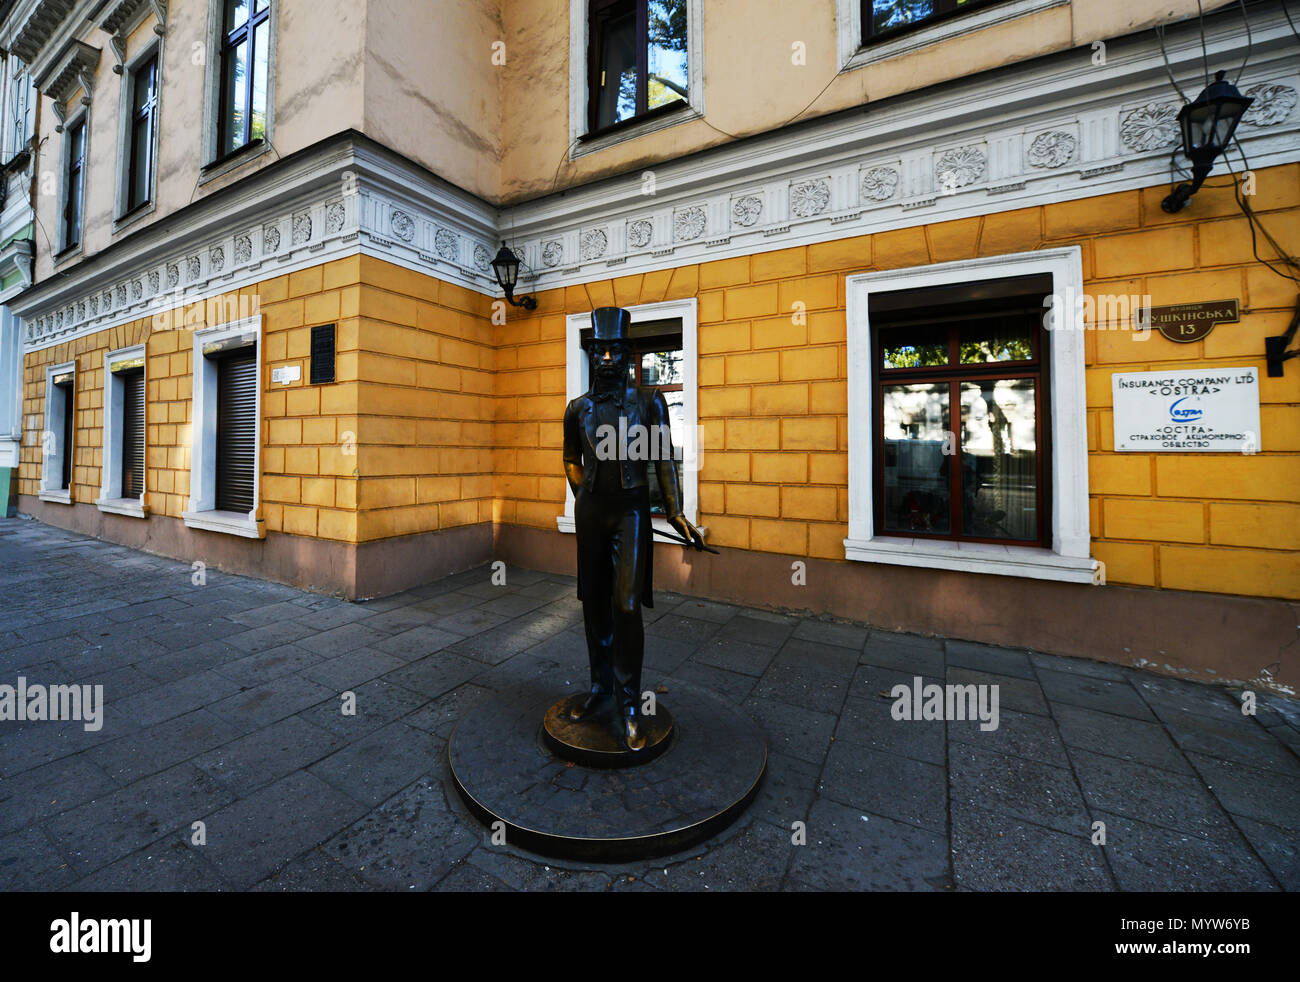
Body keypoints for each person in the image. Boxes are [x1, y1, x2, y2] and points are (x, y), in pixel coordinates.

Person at [561, 306, 705, 750]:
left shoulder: (649, 402)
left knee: (625, 605)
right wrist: (585, 492)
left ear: (626, 355)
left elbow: (663, 459)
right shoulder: (577, 408)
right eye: (599, 350)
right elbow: (569, 458)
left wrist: (676, 512)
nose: (606, 358)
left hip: (632, 513)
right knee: (594, 605)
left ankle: (628, 702)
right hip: (592, 514)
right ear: (592, 354)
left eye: (614, 351)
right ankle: (600, 687)